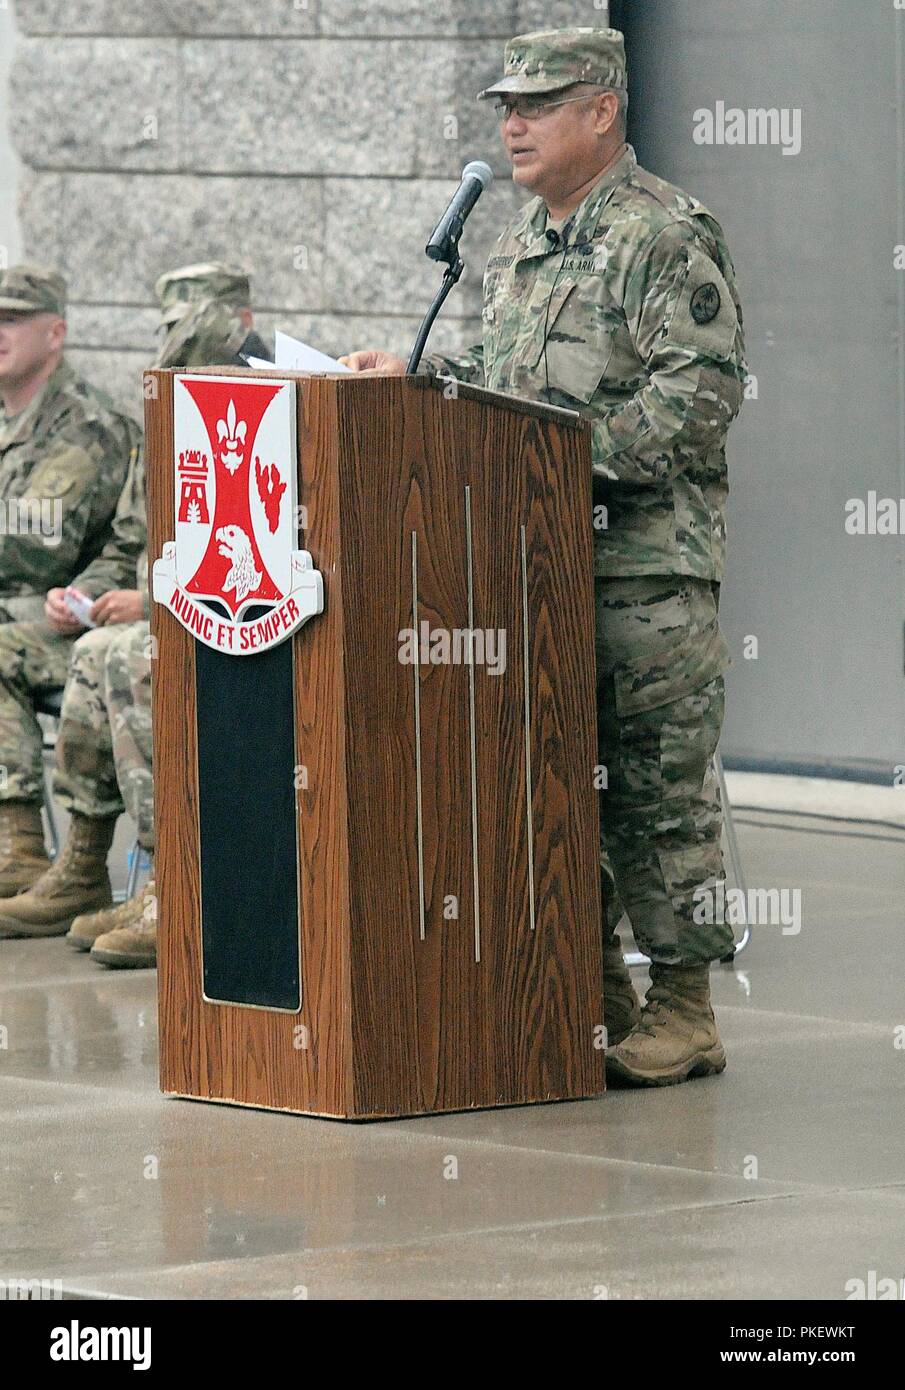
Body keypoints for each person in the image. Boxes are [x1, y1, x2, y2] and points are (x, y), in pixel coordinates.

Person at [340, 27, 747, 1086]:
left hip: (641, 574)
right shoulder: (526, 238)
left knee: (657, 797)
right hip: (531, 570)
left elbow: (693, 405)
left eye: (536, 102)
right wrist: (417, 379)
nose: (511, 122)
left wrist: (555, 459)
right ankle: (592, 989)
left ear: (601, 110)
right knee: (561, 785)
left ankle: (685, 1005)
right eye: (503, 105)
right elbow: (503, 373)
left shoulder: (660, 234)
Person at [0, 263, 269, 967]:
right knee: (101, 647)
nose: (181, 349)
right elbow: (127, 540)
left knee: (123, 654)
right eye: (172, 333)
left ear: (240, 327)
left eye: (198, 332)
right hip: (155, 616)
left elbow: (264, 558)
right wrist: (87, 594)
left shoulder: (272, 411)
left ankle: (171, 882)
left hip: (235, 625)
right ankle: (83, 863)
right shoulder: (171, 412)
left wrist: (147, 602)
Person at [0, 264, 140, 894]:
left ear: (54, 333)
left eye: (12, 319)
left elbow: (35, 545)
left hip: (63, 618)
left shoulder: (84, 421)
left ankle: (18, 846)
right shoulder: (9, 417)